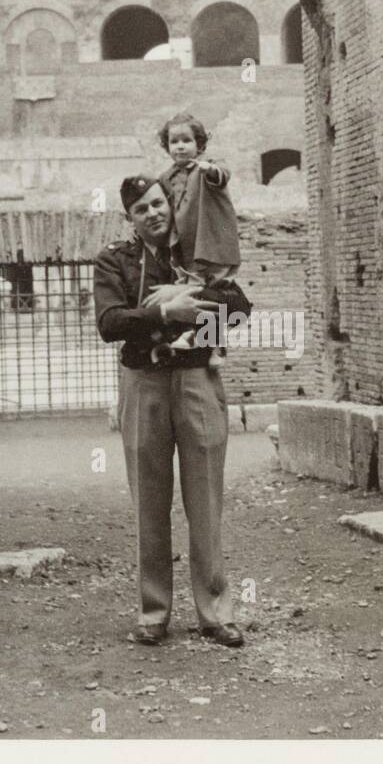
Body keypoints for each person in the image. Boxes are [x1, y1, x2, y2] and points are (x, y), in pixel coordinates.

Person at [93, 174, 252, 648]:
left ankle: (215, 611)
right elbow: (109, 321)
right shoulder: (114, 260)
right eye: (142, 209)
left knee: (205, 499)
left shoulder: (197, 255)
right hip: (145, 384)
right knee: (149, 500)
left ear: (171, 205)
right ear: (131, 219)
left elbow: (240, 308)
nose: (154, 213)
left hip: (197, 381)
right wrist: (163, 314)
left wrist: (192, 309)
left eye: (159, 203)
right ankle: (153, 611)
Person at [155, 112, 241, 366]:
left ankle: (218, 348)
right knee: (191, 290)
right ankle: (194, 334)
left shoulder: (208, 166)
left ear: (199, 144)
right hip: (185, 246)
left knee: (212, 291)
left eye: (187, 140)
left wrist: (210, 169)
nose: (180, 146)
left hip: (211, 242)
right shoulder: (166, 177)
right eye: (174, 141)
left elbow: (221, 175)